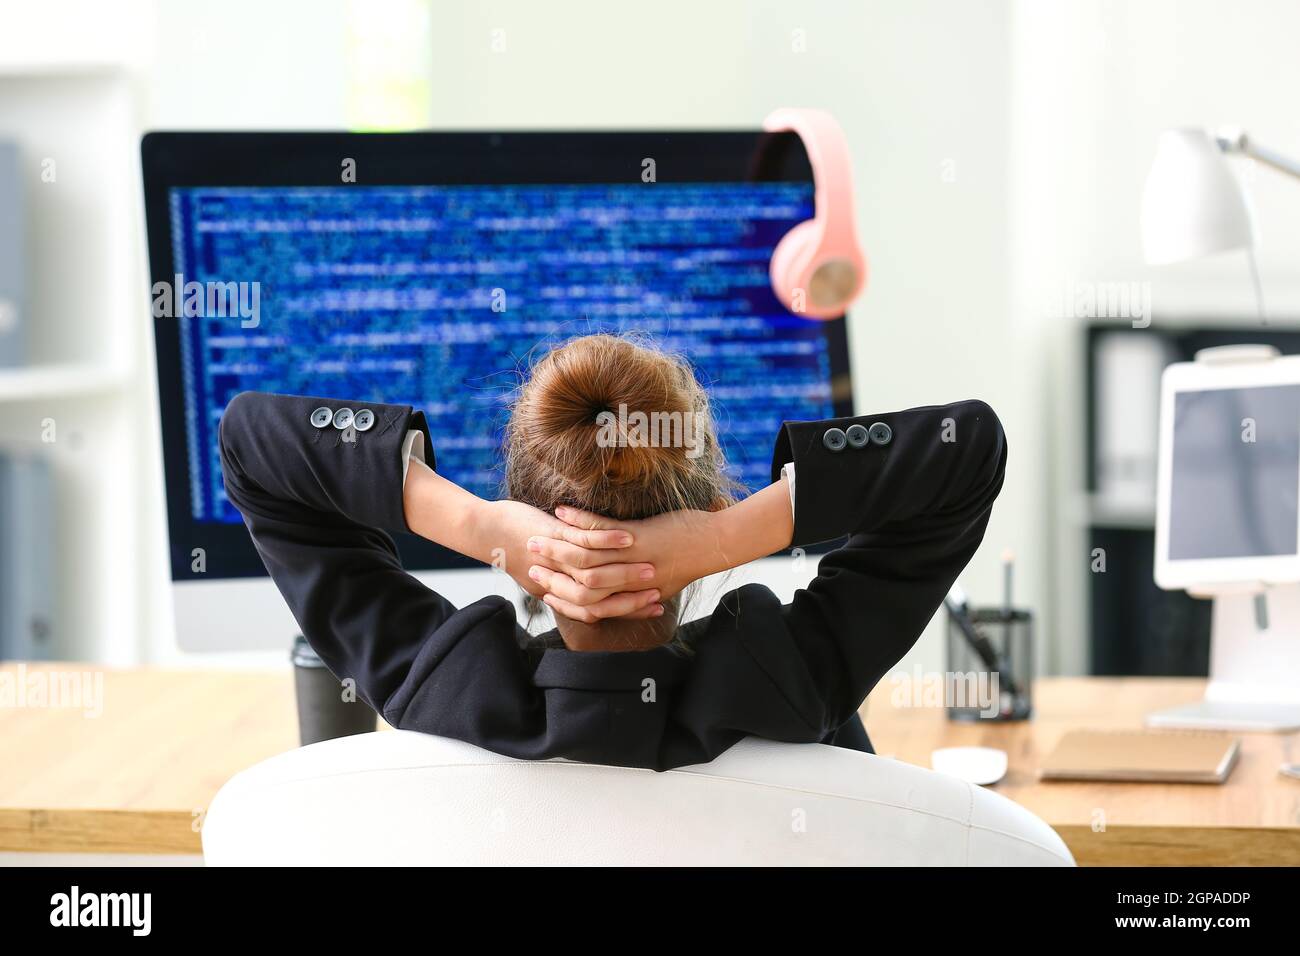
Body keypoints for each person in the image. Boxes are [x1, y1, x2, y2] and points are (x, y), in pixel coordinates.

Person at [217, 333, 1006, 770]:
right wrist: (728, 539)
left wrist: (487, 532)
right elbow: (967, 451)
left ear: (529, 512)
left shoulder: (444, 690)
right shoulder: (793, 681)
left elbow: (251, 440)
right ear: (705, 499)